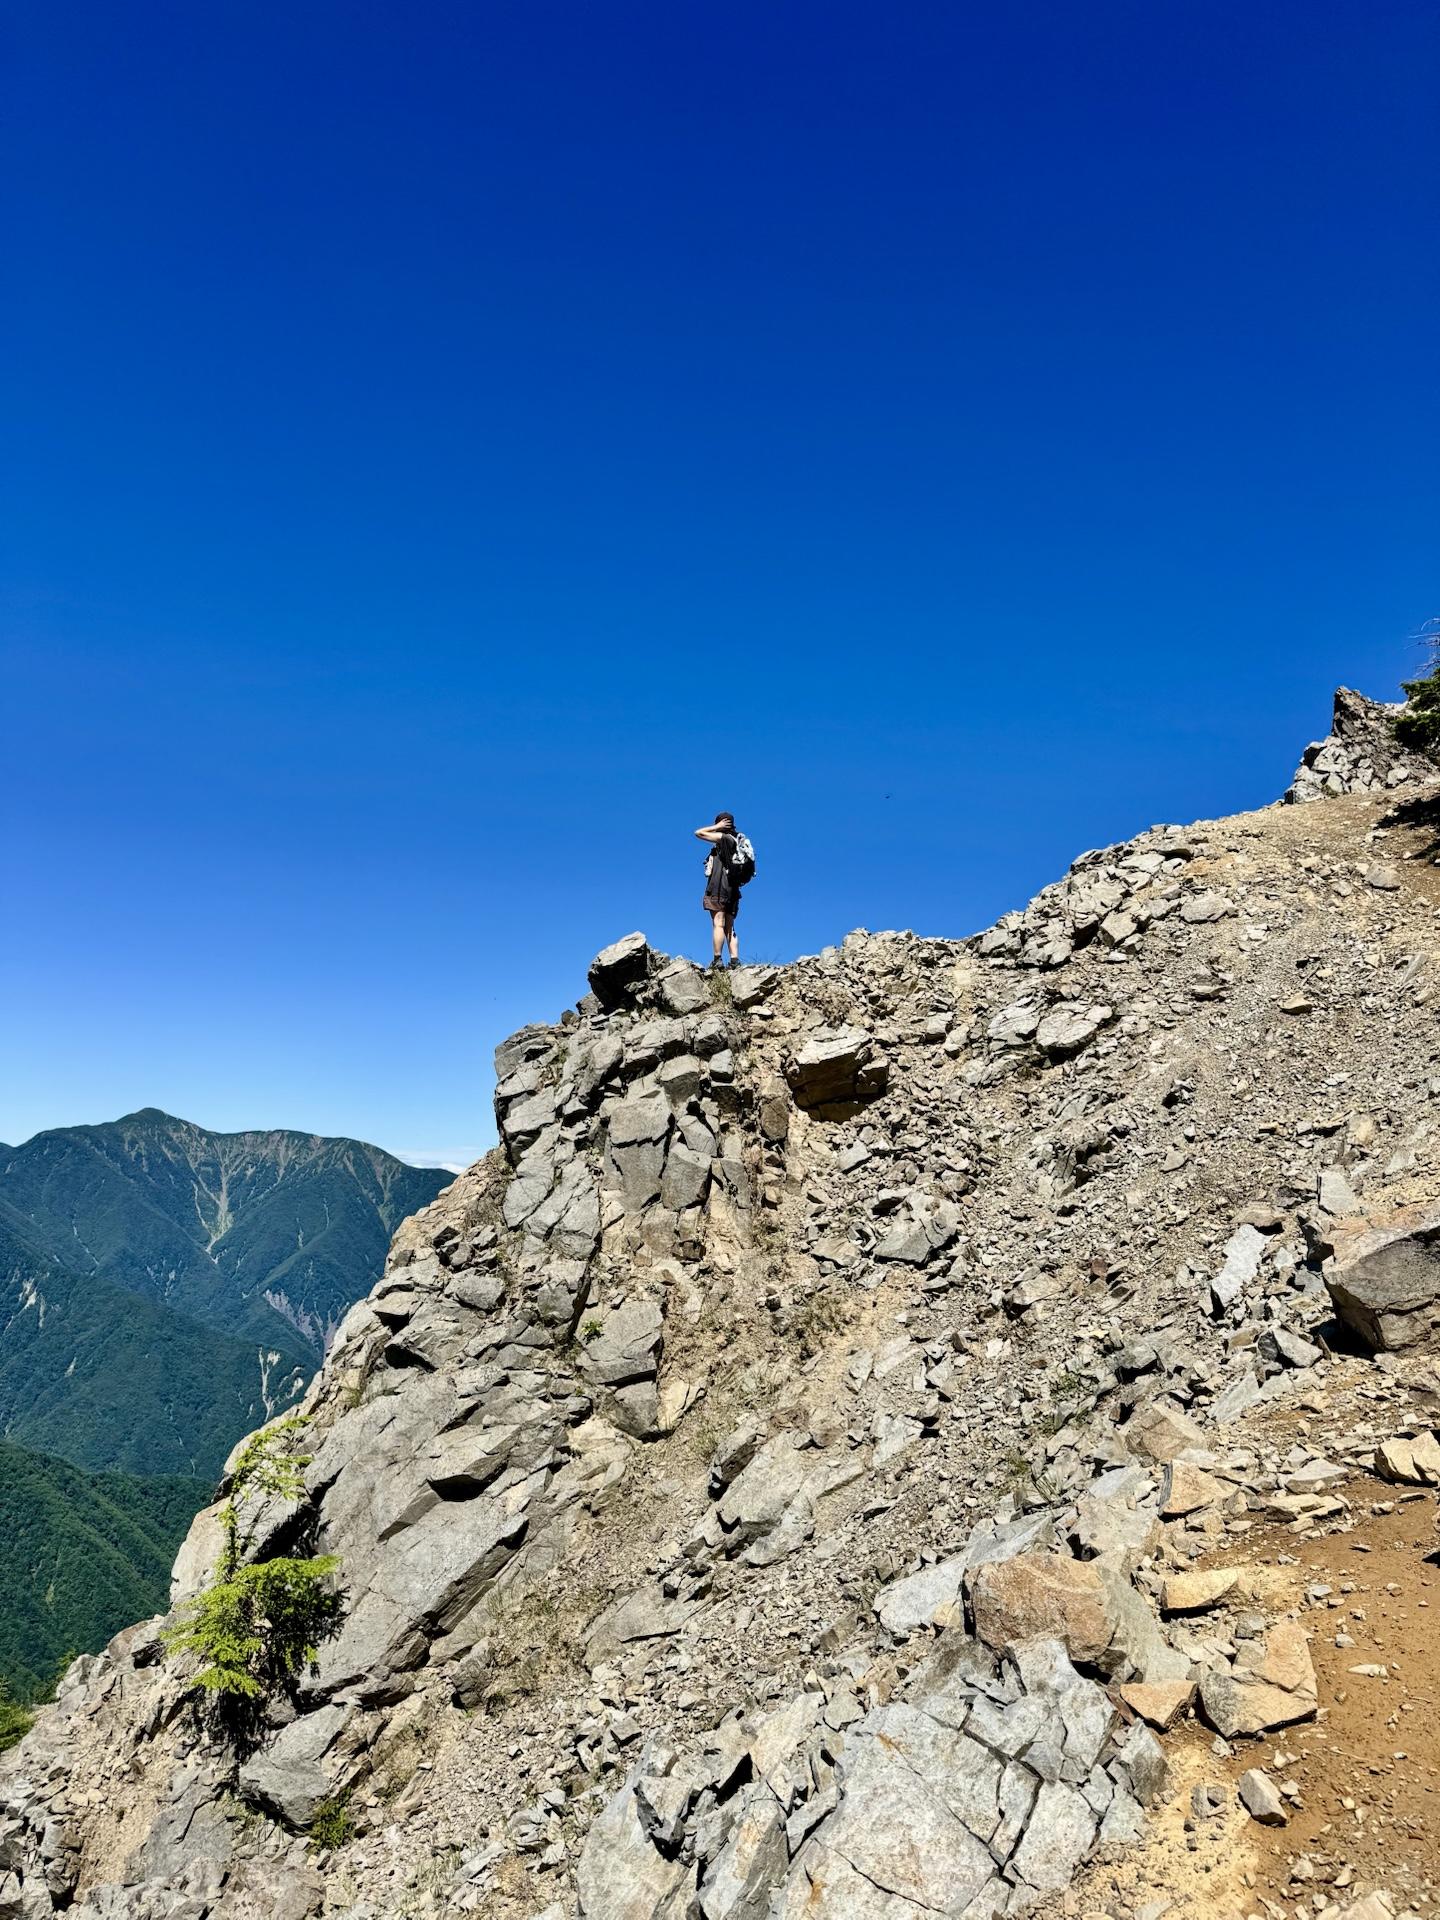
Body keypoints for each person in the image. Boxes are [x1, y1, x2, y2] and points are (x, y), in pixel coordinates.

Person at [694, 811, 745, 968]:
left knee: (718, 923)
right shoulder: (737, 842)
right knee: (730, 926)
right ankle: (735, 961)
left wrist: (717, 827)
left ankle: (717, 960)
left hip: (719, 886)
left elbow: (698, 833)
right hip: (733, 890)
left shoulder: (724, 838)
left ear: (723, 824)